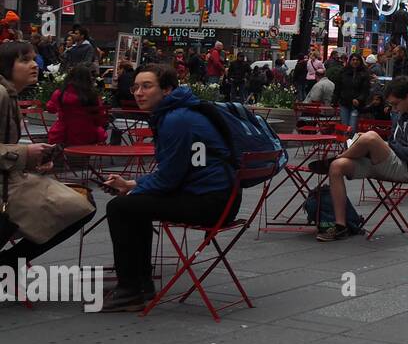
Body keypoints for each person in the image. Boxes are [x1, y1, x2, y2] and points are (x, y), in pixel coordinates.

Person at [99, 66, 239, 312]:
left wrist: (133, 190)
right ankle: (138, 285)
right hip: (216, 196)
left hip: (209, 202)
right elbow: (175, 172)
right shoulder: (179, 112)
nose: (138, 93)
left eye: (147, 86)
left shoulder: (176, 119)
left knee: (120, 208)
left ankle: (131, 288)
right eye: (135, 87)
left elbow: (169, 180)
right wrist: (132, 184)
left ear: (167, 90)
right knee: (133, 206)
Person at [0, 42, 93, 280]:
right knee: (81, 205)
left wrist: (32, 159)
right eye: (24, 60)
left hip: (11, 184)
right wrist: (25, 154)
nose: (34, 65)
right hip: (7, 190)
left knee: (82, 201)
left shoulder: (9, 94)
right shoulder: (1, 94)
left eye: (34, 59)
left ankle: (8, 263)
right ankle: (7, 264)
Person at [314, 76, 408, 241]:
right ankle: (340, 226)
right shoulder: (401, 112)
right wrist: (384, 147)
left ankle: (342, 154)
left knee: (371, 137)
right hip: (384, 162)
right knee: (337, 167)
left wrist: (389, 147)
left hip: (406, 168)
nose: (393, 108)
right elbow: (393, 141)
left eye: (395, 104)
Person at [46, 63, 108, 148]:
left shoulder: (60, 93)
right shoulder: (92, 96)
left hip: (63, 135)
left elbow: (50, 108)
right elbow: (100, 118)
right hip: (88, 135)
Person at [336, 54, 371, 131]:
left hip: (356, 105)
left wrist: (359, 99)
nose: (355, 61)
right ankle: (346, 142)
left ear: (360, 61)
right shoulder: (343, 72)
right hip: (344, 103)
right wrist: (335, 100)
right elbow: (338, 87)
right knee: (345, 127)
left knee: (352, 127)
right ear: (350, 61)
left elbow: (365, 90)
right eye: (353, 60)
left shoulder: (364, 74)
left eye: (357, 60)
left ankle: (351, 143)